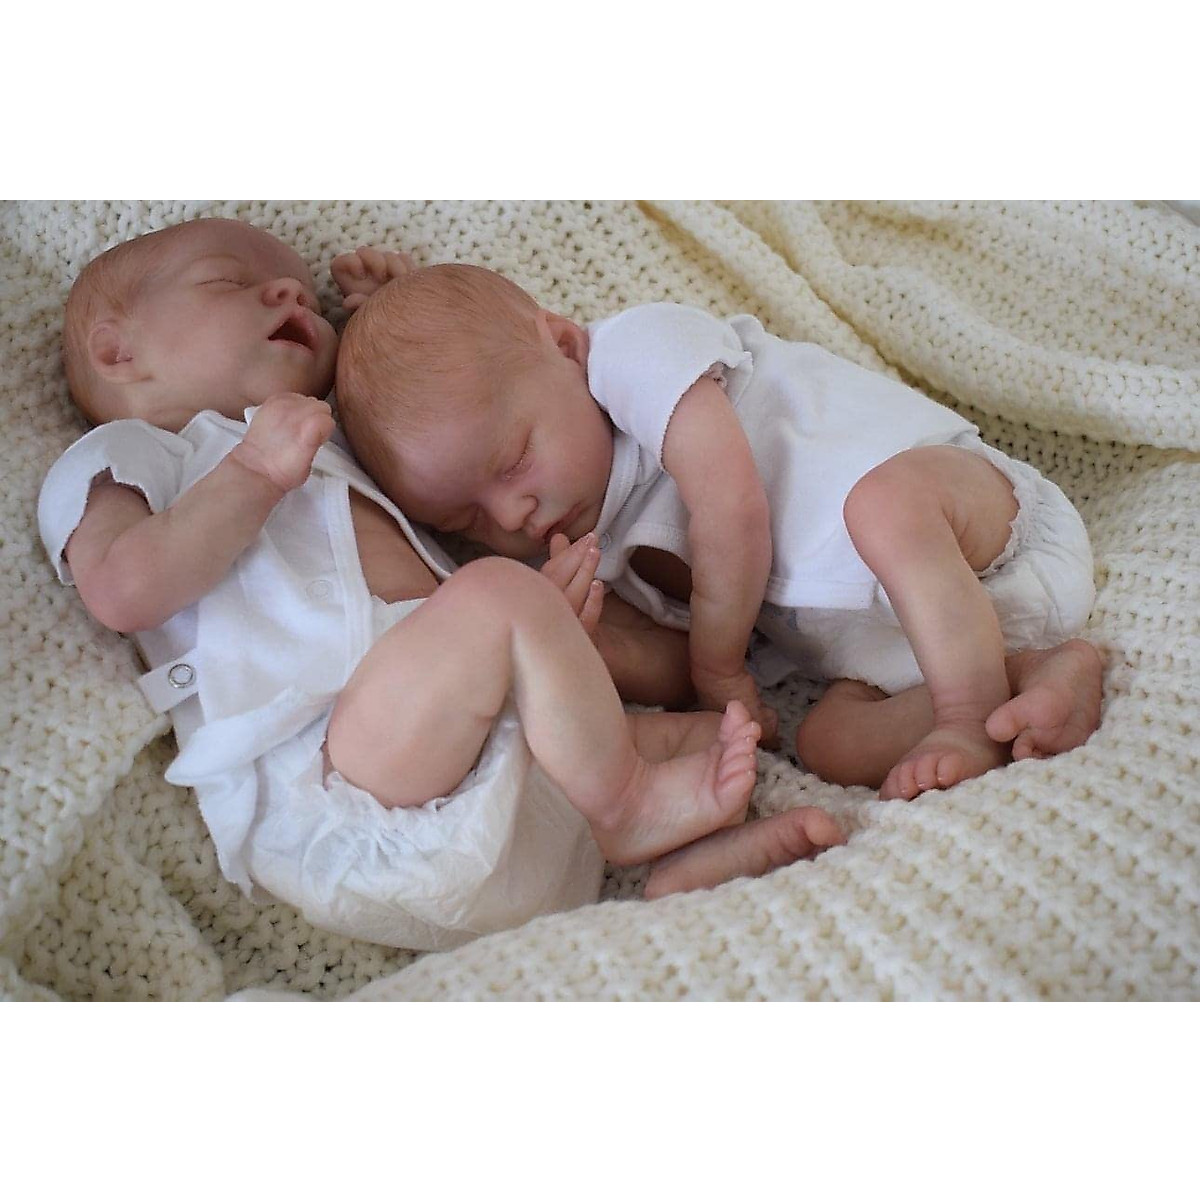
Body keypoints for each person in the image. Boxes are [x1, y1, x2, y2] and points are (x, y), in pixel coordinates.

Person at [37, 218, 845, 952]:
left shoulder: (332, 446)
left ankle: (675, 877)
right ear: (118, 353)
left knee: (712, 732)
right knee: (500, 597)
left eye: (302, 293)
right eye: (228, 282)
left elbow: (440, 416)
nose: (288, 292)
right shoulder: (133, 455)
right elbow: (123, 589)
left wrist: (391, 317)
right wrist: (251, 472)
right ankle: (629, 807)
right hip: (334, 779)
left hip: (482, 777)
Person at [334, 255, 1104, 803]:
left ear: (563, 347)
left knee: (885, 508)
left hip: (976, 523)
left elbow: (732, 507)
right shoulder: (590, 548)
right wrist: (580, 640)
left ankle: (967, 718)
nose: (512, 515)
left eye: (513, 462)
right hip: (919, 643)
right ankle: (1031, 676)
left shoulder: (631, 357)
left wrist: (719, 664)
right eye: (466, 519)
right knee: (825, 743)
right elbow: (670, 672)